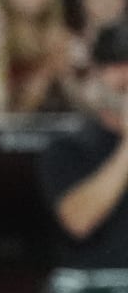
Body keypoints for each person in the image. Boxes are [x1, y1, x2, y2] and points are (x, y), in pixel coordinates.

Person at [41, 18, 128, 267]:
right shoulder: (68, 147)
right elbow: (79, 222)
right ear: (96, 72)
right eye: (116, 63)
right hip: (96, 284)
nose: (126, 75)